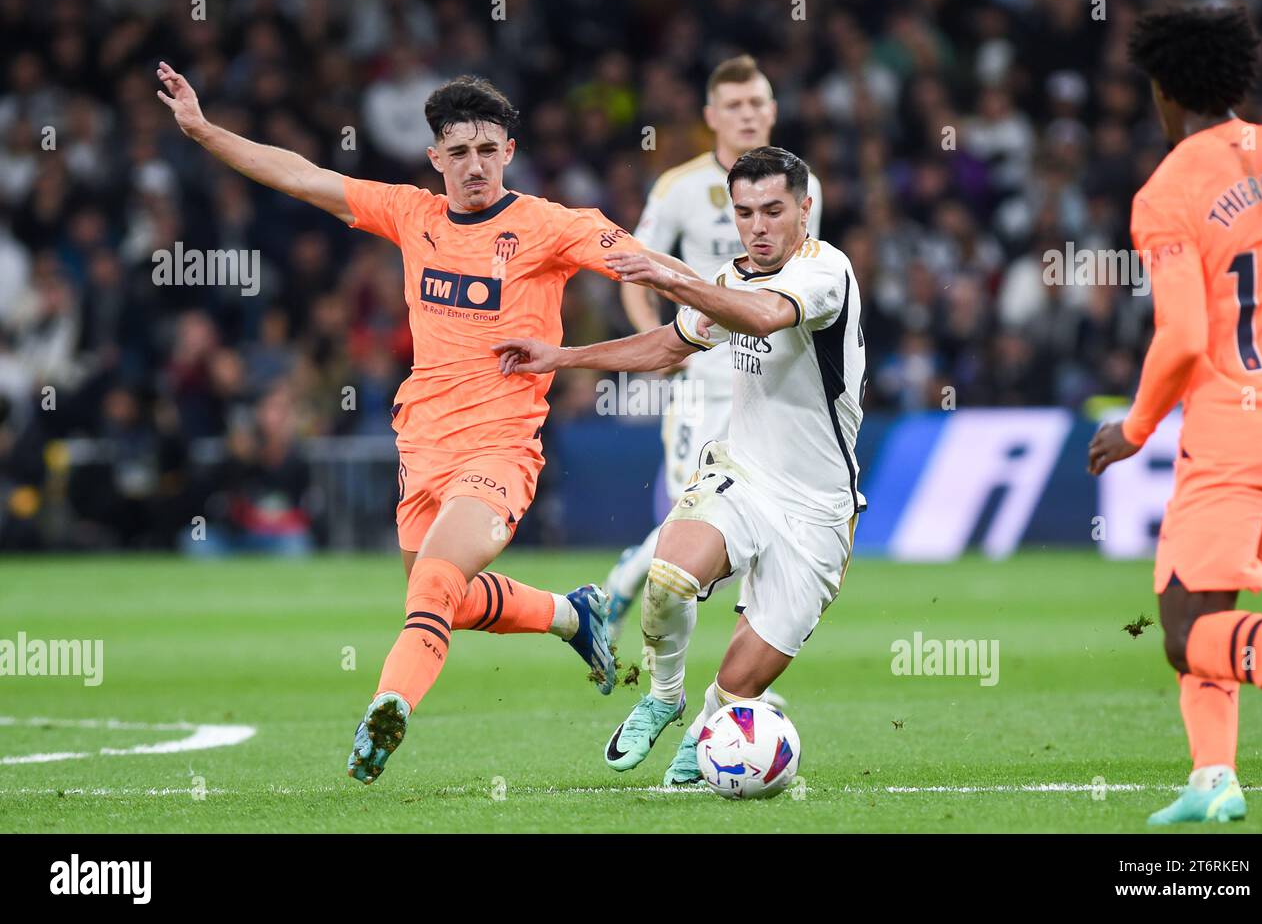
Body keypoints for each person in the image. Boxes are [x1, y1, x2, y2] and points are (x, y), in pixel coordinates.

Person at [156, 63, 695, 784]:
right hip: (422, 449)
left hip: (500, 451)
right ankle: (575, 615)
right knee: (448, 598)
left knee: (432, 588)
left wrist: (737, 298)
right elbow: (300, 175)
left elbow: (643, 262)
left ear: (509, 152)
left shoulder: (550, 226)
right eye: (459, 152)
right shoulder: (413, 215)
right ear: (435, 158)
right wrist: (202, 128)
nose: (474, 165)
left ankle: (389, 705)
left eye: (488, 150)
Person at [495, 147, 863, 786]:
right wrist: (561, 357)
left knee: (739, 686)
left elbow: (764, 315)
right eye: (745, 212)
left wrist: (672, 277)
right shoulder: (731, 277)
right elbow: (668, 347)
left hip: (817, 511)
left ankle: (706, 729)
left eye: (775, 210)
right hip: (742, 474)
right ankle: (664, 694)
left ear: (805, 210)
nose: (759, 227)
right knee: (668, 574)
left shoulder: (824, 271)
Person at [1088, 7, 1262, 825]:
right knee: (1212, 604)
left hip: (1235, 432)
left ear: (1165, 91)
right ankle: (1214, 777)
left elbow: (1182, 335)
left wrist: (1134, 427)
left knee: (1182, 629)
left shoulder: (1169, 188)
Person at [604, 55, 822, 648]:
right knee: (692, 518)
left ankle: (745, 664)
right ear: (710, 116)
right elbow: (636, 266)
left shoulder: (804, 187)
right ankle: (624, 600)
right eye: (734, 106)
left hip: (770, 379)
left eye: (757, 103)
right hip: (703, 374)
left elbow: (802, 283)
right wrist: (661, 337)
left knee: (762, 513)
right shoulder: (678, 187)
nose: (748, 115)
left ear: (773, 110)